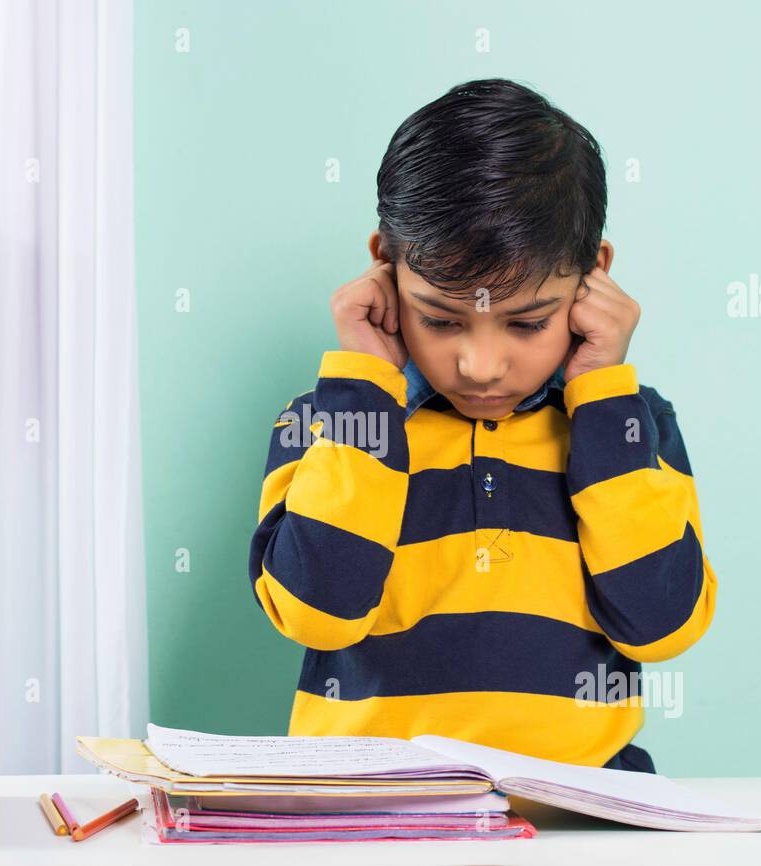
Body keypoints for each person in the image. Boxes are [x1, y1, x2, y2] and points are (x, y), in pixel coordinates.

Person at [247, 78, 717, 773]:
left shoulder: (633, 423)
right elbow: (317, 613)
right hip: (375, 818)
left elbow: (661, 625)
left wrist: (601, 398)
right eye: (440, 319)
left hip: (579, 821)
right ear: (385, 267)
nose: (482, 365)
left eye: (528, 323)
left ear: (595, 279)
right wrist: (365, 391)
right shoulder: (327, 421)